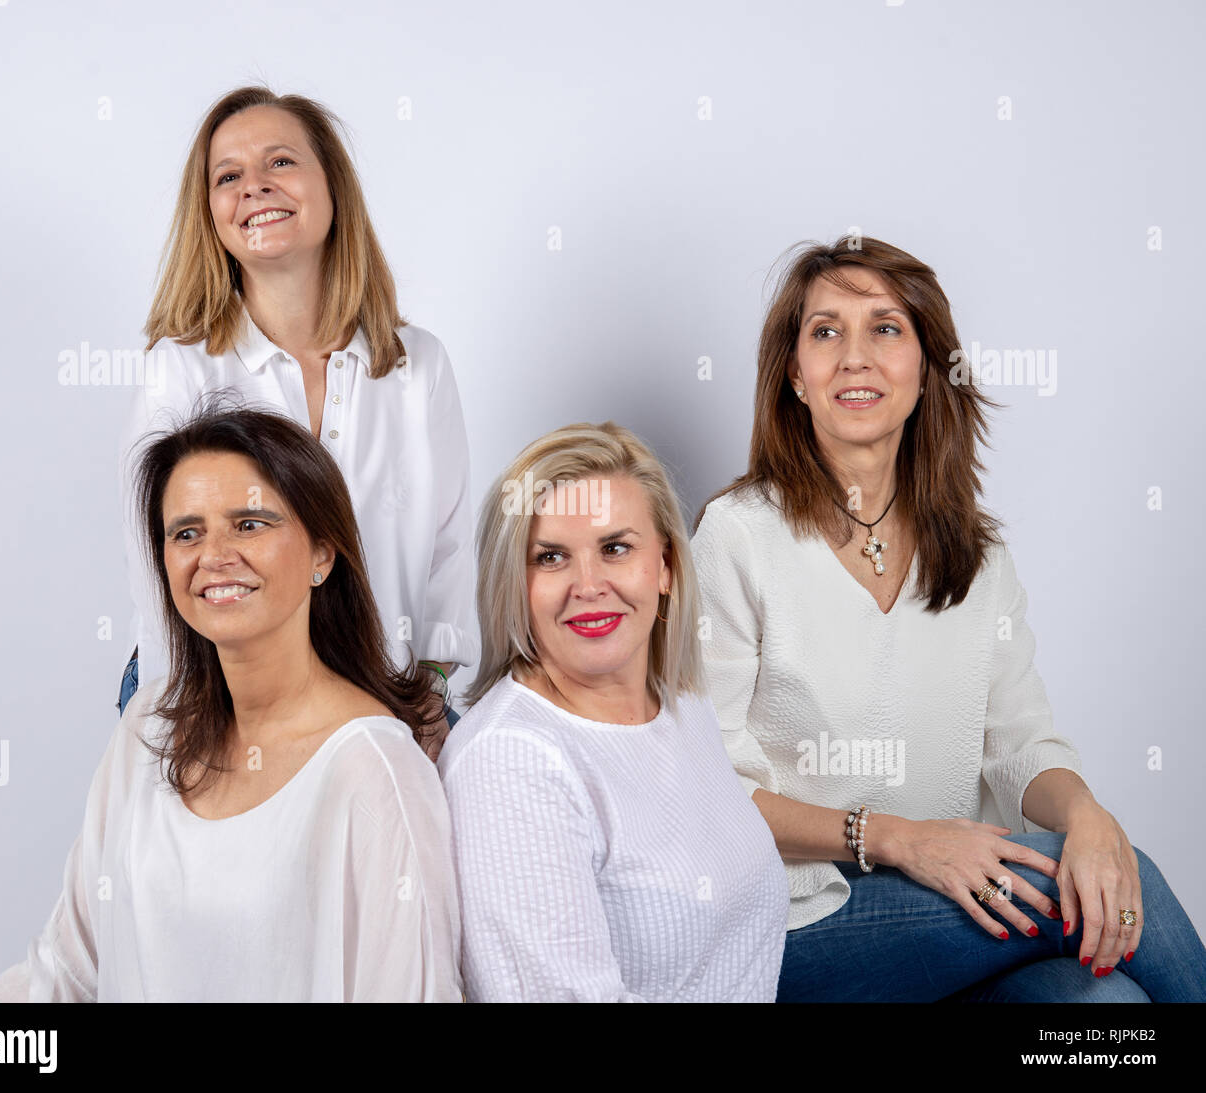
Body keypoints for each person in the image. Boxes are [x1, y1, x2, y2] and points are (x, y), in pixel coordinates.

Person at [691, 236, 1206, 1002]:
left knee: (1105, 1003)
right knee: (1136, 885)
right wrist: (897, 838)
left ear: (930, 371)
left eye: (886, 327)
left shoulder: (976, 553)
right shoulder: (737, 537)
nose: (855, 356)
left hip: (954, 915)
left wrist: (1089, 816)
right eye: (826, 331)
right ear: (795, 376)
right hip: (796, 921)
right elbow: (707, 789)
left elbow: (1021, 744)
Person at [0, 407, 462, 1001]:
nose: (213, 555)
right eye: (186, 532)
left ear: (322, 554)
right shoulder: (146, 729)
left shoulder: (376, 772)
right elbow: (66, 972)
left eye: (250, 524)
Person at [119, 85, 476, 757]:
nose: (254, 186)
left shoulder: (417, 365)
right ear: (213, 214)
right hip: (215, 692)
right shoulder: (179, 371)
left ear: (332, 186)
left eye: (280, 162)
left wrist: (428, 685)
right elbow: (158, 566)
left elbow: (450, 550)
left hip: (385, 694)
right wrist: (195, 731)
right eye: (228, 176)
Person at [438, 423, 789, 1001]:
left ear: (667, 566)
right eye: (550, 558)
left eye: (615, 548)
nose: (588, 585)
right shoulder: (509, 762)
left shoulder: (679, 701)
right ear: (513, 584)